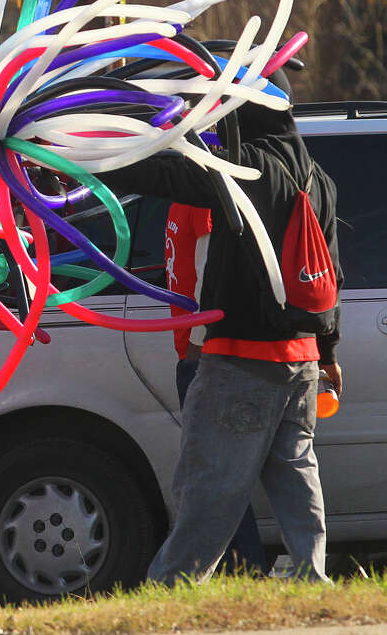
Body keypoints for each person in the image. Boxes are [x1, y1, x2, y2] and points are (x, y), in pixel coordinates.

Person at [101, 89, 341, 585]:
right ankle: (311, 575)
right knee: (296, 475)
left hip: (241, 359)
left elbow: (167, 175)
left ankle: (175, 584)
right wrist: (328, 353)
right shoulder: (319, 179)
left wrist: (94, 161)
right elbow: (331, 270)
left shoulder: (246, 168)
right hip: (301, 360)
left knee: (210, 482)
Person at [164, 202, 267, 575]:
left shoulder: (199, 194)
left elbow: (211, 269)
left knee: (213, 471)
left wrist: (198, 342)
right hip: (196, 352)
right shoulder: (179, 196)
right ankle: (242, 567)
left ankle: (247, 567)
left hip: (206, 354)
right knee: (213, 469)